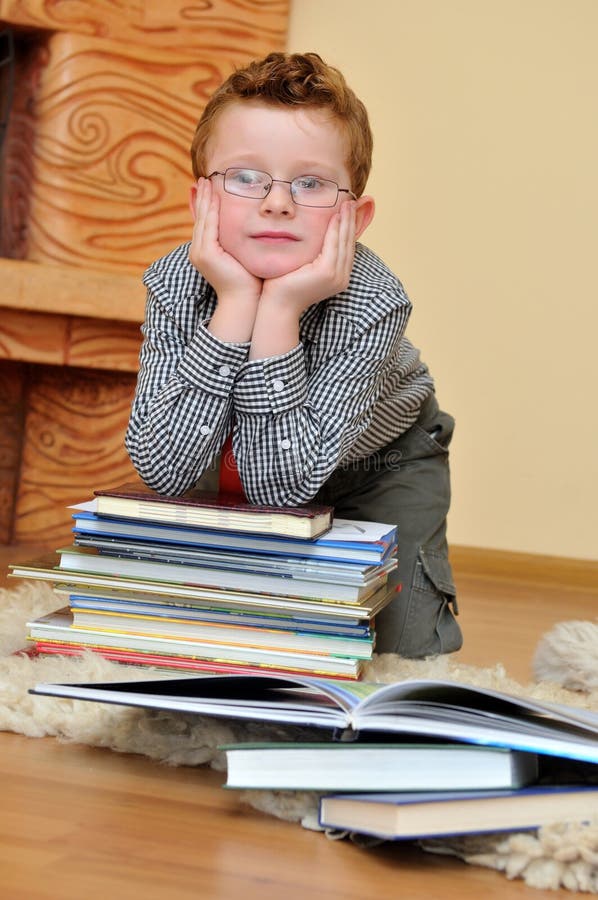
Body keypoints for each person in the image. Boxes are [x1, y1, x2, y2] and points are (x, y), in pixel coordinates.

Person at [125, 51, 462, 658]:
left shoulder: (372, 303)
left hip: (381, 466)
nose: (276, 203)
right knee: (203, 635)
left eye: (310, 183)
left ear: (355, 219)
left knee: (393, 655)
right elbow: (166, 471)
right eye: (245, 177)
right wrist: (233, 302)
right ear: (200, 202)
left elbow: (283, 488)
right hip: (223, 449)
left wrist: (278, 311)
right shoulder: (174, 282)